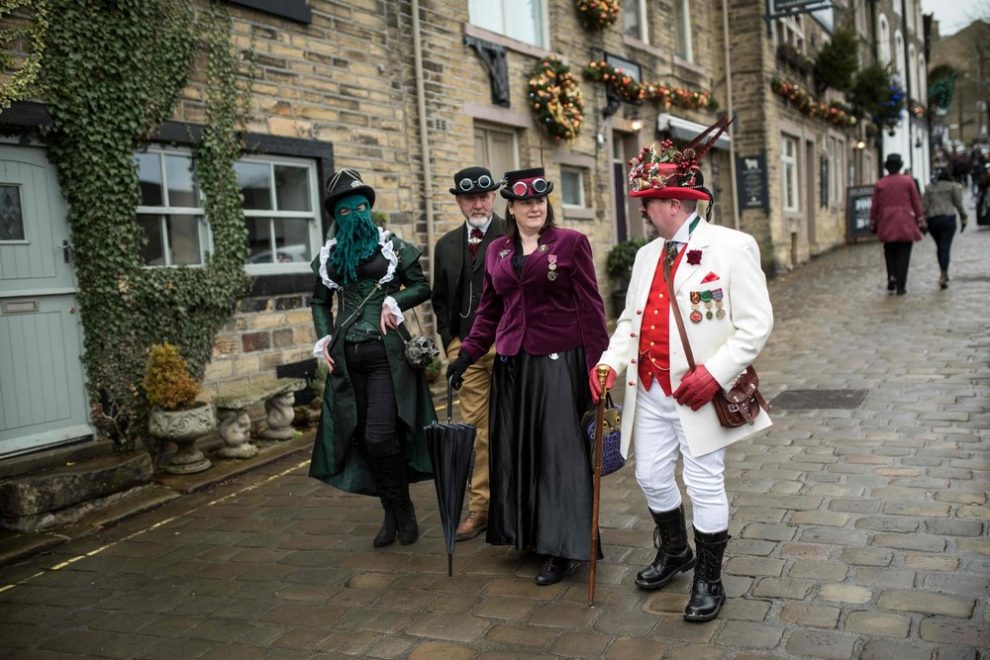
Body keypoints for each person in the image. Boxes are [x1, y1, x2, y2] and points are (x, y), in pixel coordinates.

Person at [590, 118, 774, 623]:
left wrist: (715, 374)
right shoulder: (647, 255)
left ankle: (710, 578)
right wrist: (609, 363)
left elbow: (756, 325)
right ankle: (676, 551)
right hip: (649, 389)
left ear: (674, 203)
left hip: (698, 393)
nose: (644, 213)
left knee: (705, 483)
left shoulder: (731, 247)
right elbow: (630, 320)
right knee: (649, 475)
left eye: (648, 203)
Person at [446, 167, 609, 585]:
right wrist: (466, 355)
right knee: (523, 452)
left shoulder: (571, 243)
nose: (535, 207)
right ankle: (533, 535)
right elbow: (489, 311)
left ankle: (564, 546)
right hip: (512, 364)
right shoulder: (498, 250)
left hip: (558, 361)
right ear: (512, 208)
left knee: (560, 453)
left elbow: (591, 308)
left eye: (540, 200)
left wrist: (599, 366)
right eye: (525, 202)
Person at [309, 168, 436, 547]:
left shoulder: (391, 247)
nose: (355, 215)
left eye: (362, 207)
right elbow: (319, 301)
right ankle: (390, 512)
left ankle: (405, 509)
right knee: (363, 438)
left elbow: (422, 286)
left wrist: (394, 300)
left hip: (387, 355)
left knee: (382, 436)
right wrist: (324, 339)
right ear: (336, 215)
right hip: (347, 360)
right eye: (346, 211)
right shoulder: (329, 255)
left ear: (370, 208)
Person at [431, 166, 506, 541]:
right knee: (476, 429)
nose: (478, 203)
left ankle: (517, 503)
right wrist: (450, 342)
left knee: (515, 424)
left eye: (484, 196)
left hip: (510, 343)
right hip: (467, 350)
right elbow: (440, 300)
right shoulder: (445, 244)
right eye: (469, 198)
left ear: (494, 198)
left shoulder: (512, 235)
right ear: (459, 202)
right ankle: (481, 509)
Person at [870, 153, 925, 295]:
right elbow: (916, 201)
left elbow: (875, 206)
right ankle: (901, 285)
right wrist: (920, 218)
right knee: (904, 254)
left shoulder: (881, 183)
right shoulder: (908, 181)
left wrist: (873, 221)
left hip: (887, 220)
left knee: (890, 251)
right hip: (905, 221)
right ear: (900, 166)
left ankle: (892, 276)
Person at [922, 169, 968, 289]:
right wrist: (964, 218)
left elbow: (924, 207)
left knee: (940, 247)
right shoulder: (953, 186)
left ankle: (943, 272)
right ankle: (943, 274)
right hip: (948, 219)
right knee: (945, 246)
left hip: (933, 220)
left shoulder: (929, 188)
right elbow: (959, 204)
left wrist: (924, 221)